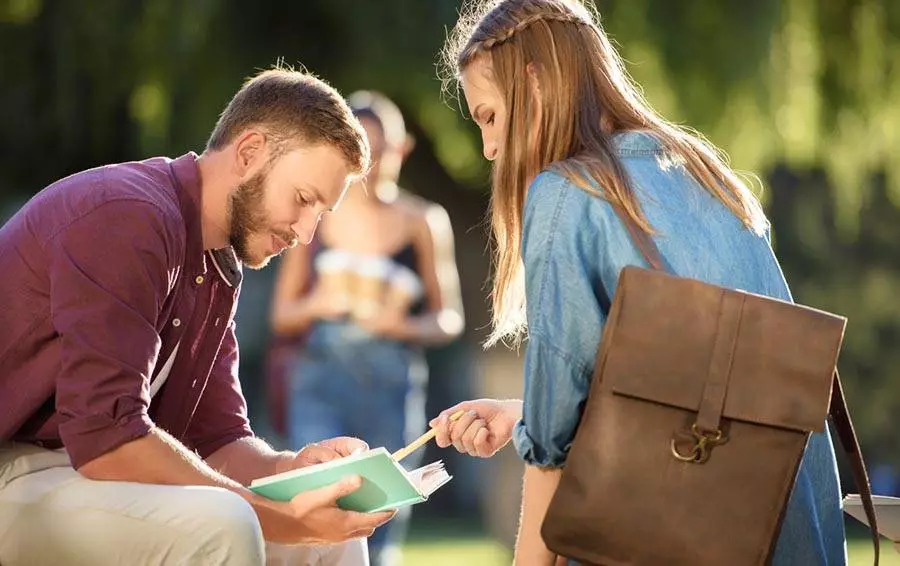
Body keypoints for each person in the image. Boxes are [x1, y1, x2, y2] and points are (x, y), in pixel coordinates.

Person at [429, 1, 847, 565]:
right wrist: (523, 408)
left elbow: (551, 452)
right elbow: (710, 385)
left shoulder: (565, 193)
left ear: (531, 82)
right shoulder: (709, 174)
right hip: (789, 531)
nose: (489, 148)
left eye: (488, 117)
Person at [0, 66, 397, 566]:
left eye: (320, 213)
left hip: (75, 474)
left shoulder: (215, 264)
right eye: (303, 200)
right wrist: (276, 517)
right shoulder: (129, 216)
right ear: (249, 152)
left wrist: (291, 468)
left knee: (334, 535)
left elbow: (218, 441)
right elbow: (105, 437)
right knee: (224, 521)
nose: (306, 232)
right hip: (15, 468)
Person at [269, 90, 465, 566]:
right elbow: (281, 316)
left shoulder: (423, 220)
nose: (373, 166)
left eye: (384, 152)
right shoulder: (320, 214)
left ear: (404, 149)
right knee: (314, 512)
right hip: (320, 383)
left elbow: (449, 318)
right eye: (364, 153)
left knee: (379, 524)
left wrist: (404, 325)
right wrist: (318, 301)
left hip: (391, 389)